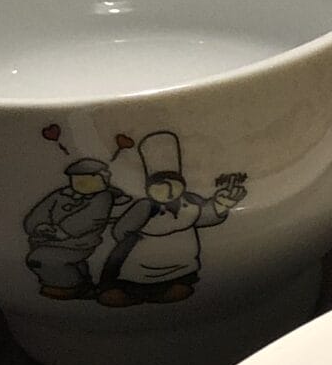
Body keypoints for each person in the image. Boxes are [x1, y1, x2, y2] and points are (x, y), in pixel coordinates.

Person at [94, 130, 246, 305]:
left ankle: (171, 289)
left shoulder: (189, 200)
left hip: (181, 260)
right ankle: (126, 291)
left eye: (173, 184)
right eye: (161, 185)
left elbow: (204, 215)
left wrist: (221, 205)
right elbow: (122, 230)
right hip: (143, 253)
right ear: (149, 187)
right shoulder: (145, 206)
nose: (169, 191)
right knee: (133, 276)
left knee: (179, 279)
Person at [20, 157, 127, 298]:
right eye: (77, 179)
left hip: (77, 243)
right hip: (46, 239)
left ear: (103, 178)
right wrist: (38, 226)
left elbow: (91, 218)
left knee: (41, 259)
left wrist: (64, 231)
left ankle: (68, 286)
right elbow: (41, 211)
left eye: (90, 178)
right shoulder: (61, 194)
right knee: (71, 264)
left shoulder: (102, 197)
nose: (82, 183)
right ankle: (83, 284)